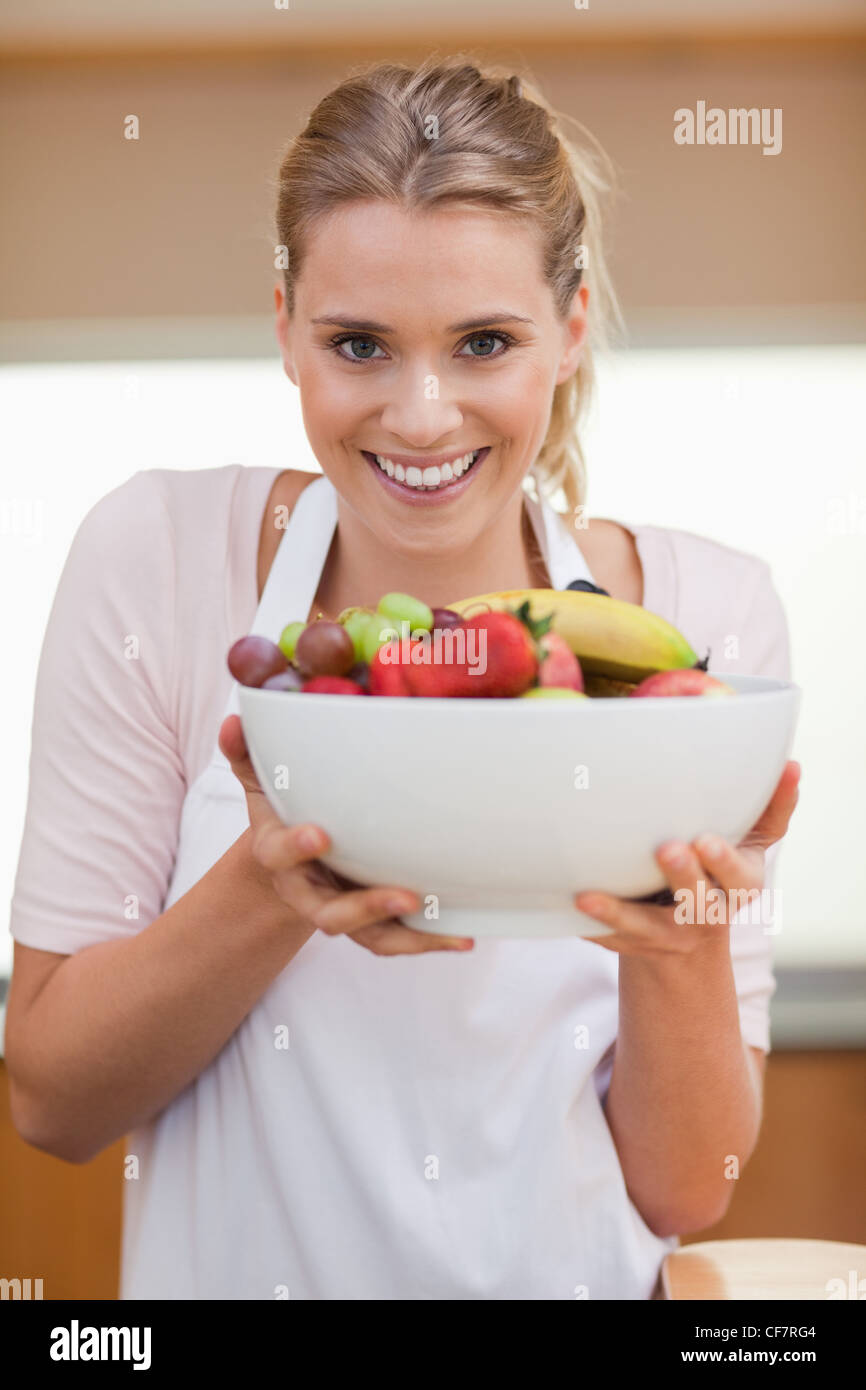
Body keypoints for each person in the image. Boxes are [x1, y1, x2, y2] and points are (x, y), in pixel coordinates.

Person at [6, 55, 800, 1300]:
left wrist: (681, 938)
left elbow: (681, 1186)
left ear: (569, 328)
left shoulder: (706, 617)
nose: (422, 416)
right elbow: (51, 1098)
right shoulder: (152, 564)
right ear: (283, 327)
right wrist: (271, 892)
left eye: (483, 342)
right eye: (359, 344)